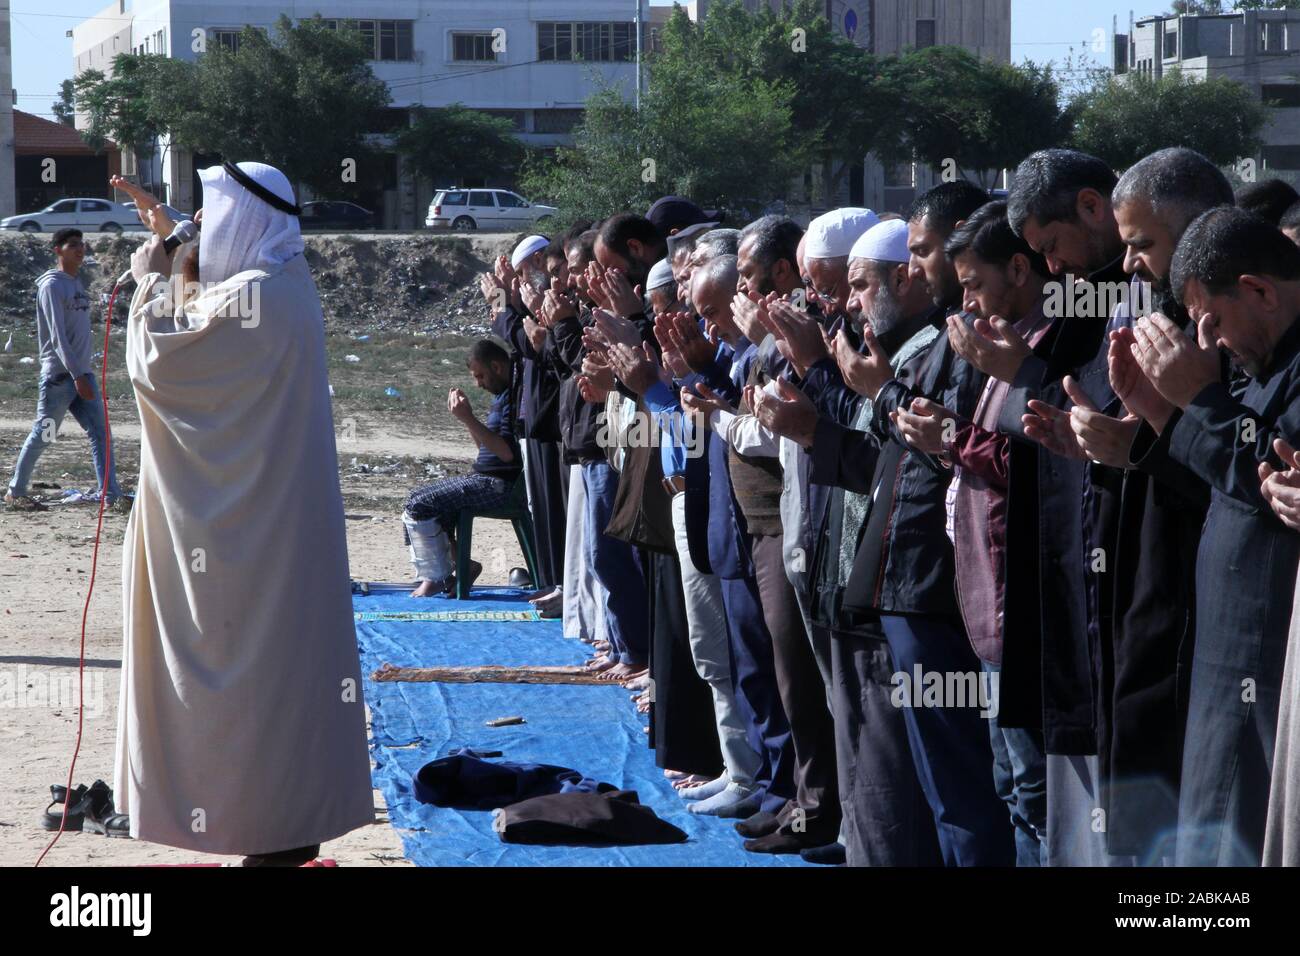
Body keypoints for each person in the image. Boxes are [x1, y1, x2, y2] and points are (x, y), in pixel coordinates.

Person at [115, 161, 373, 865]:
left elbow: (162, 360)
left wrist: (152, 276)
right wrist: (172, 240)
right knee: (280, 703)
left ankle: (265, 835)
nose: (206, 230)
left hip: (250, 546)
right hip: (272, 535)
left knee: (258, 702)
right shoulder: (280, 286)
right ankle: (274, 831)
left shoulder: (260, 297)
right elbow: (204, 312)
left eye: (212, 216)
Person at [1117, 206, 1300, 865]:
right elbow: (1230, 486)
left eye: (1212, 321)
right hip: (1228, 666)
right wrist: (1162, 417)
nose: (1210, 341)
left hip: (1272, 674)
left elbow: (1267, 480)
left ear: (1258, 289)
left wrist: (1199, 402)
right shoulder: (1260, 364)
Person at [5, 228, 123, 512]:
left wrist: (84, 373)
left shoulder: (76, 282)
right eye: (72, 245)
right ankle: (16, 491)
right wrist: (76, 375)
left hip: (83, 374)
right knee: (44, 434)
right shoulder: (51, 286)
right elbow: (57, 338)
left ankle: (111, 494)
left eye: (82, 245)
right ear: (57, 249)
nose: (80, 249)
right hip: (61, 377)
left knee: (101, 433)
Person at [403, 339, 522, 596]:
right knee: (421, 502)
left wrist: (468, 417)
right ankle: (459, 567)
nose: (479, 383)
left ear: (497, 367)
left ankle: (435, 577)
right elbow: (485, 449)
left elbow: (505, 454)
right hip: (486, 477)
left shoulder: (512, 397)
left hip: (497, 484)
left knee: (418, 504)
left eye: (481, 376)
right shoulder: (501, 397)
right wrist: (467, 419)